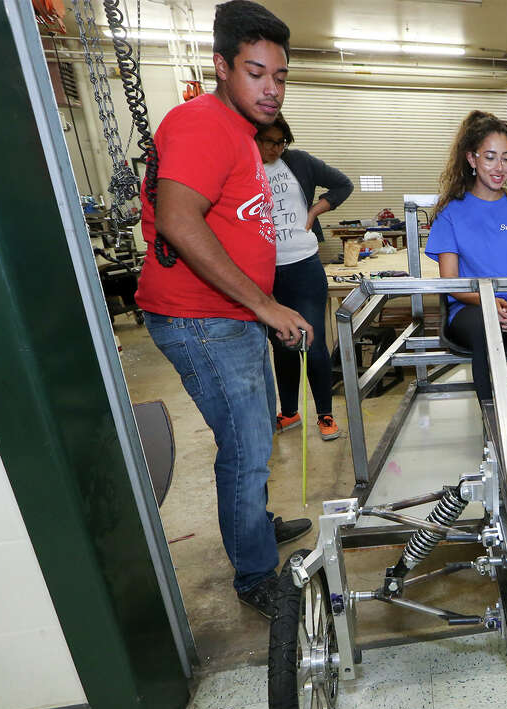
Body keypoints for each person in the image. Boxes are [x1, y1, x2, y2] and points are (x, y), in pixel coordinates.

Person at [134, 0, 312, 619]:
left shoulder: (237, 130)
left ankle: (254, 526)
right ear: (221, 67)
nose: (271, 89)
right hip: (202, 319)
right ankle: (255, 573)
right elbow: (181, 223)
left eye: (280, 75)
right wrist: (266, 305)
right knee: (245, 445)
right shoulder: (202, 124)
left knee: (256, 428)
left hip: (230, 317)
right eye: (256, 73)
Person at [425, 111, 507, 490]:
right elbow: (450, 282)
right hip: (469, 306)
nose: (500, 167)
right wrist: (488, 306)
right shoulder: (452, 213)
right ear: (471, 159)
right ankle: (499, 440)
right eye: (490, 157)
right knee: (486, 334)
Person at [256, 113, 352, 441]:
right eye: (269, 141)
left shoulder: (298, 162)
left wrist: (314, 210)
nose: (275, 149)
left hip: (304, 264)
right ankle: (290, 412)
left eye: (281, 142)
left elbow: (343, 184)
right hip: (265, 271)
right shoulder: (242, 165)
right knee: (282, 344)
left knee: (311, 342)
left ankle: (325, 414)